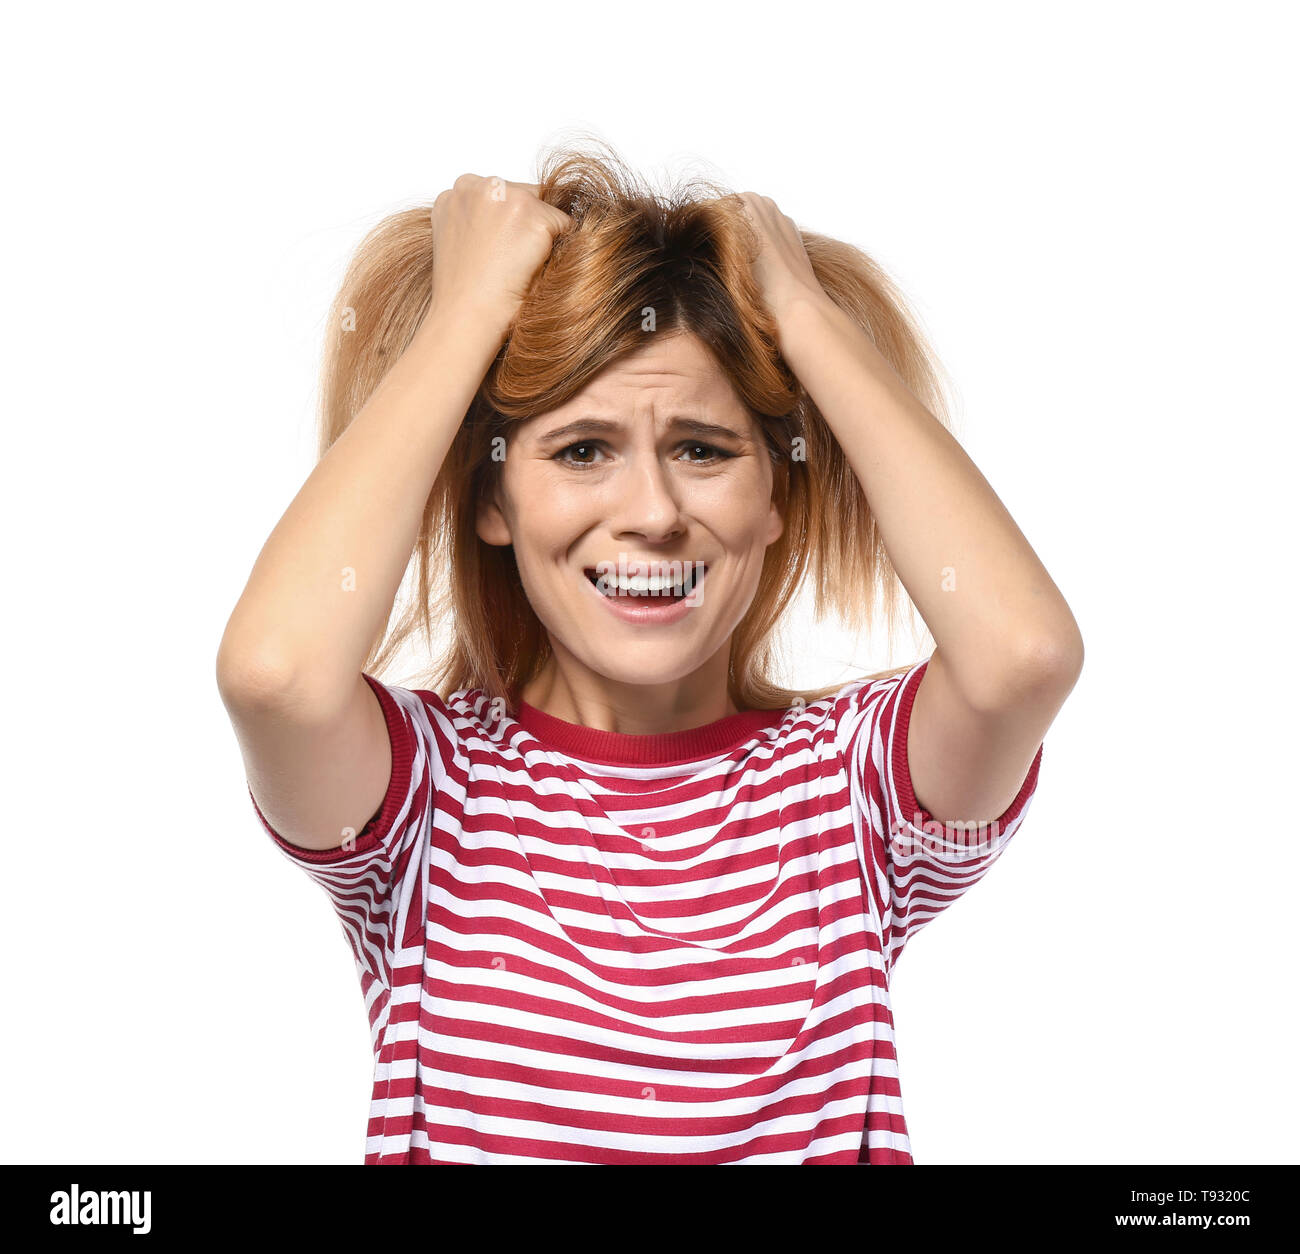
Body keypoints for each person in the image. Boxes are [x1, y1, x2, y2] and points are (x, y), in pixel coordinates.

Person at [215, 142, 1083, 1164]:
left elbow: (1020, 655)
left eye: (704, 451)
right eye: (582, 450)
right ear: (492, 497)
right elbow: (276, 674)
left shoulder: (846, 794)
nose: (654, 514)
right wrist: (465, 319)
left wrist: (805, 318)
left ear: (775, 497)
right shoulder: (427, 799)